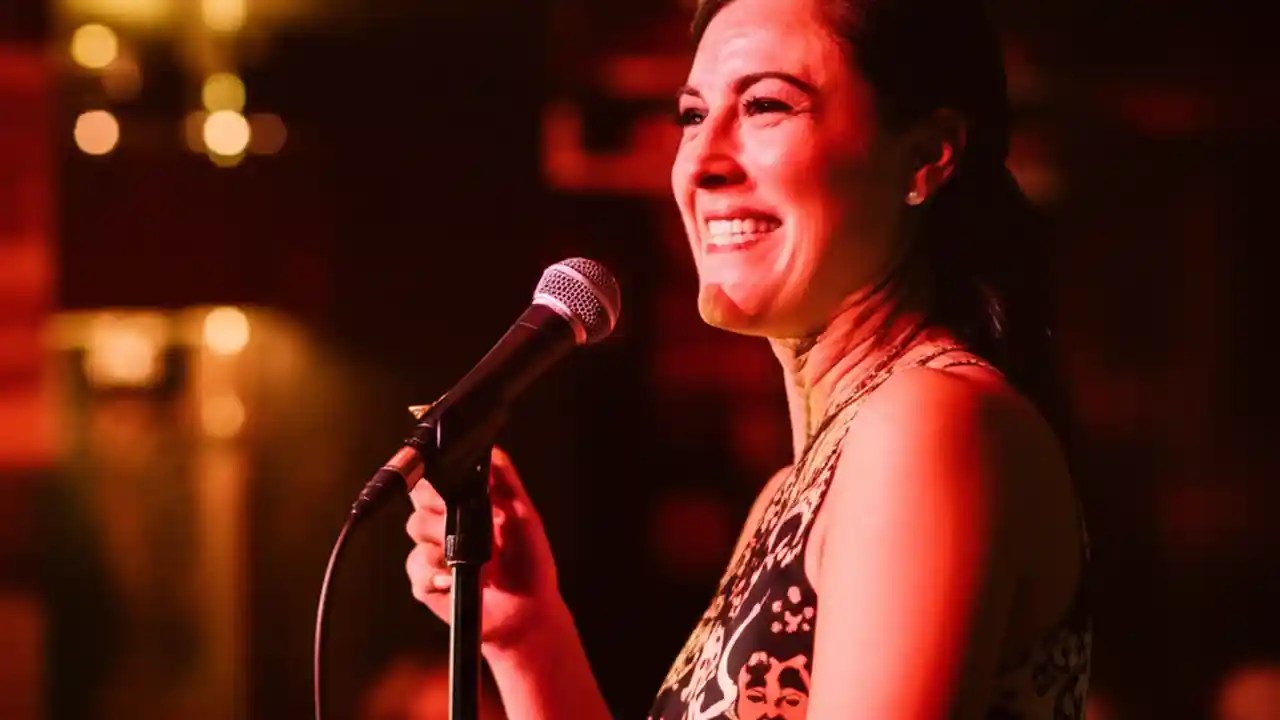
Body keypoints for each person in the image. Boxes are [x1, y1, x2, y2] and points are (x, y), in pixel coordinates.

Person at [404, 0, 1091, 716]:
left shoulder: (930, 422)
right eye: (693, 116)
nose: (700, 163)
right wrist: (527, 638)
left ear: (925, 156)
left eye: (765, 105)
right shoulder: (794, 491)